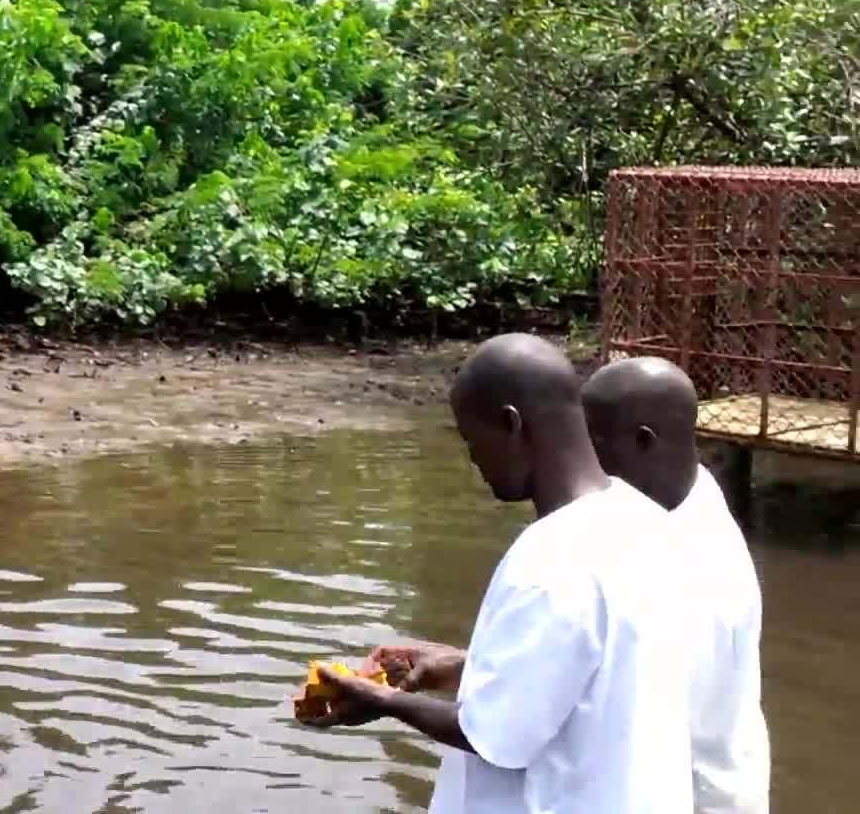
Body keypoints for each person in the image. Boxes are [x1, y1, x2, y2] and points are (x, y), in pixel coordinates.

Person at [304, 333, 693, 813]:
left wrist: (380, 700)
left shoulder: (554, 561)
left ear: (512, 425)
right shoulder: (645, 522)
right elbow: (591, 676)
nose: (474, 463)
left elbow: (494, 734)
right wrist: (459, 665)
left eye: (473, 442)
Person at [583, 355, 770, 813]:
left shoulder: (692, 568)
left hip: (697, 797)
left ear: (642, 442)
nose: (582, 462)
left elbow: (633, 708)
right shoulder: (687, 495)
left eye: (592, 445)